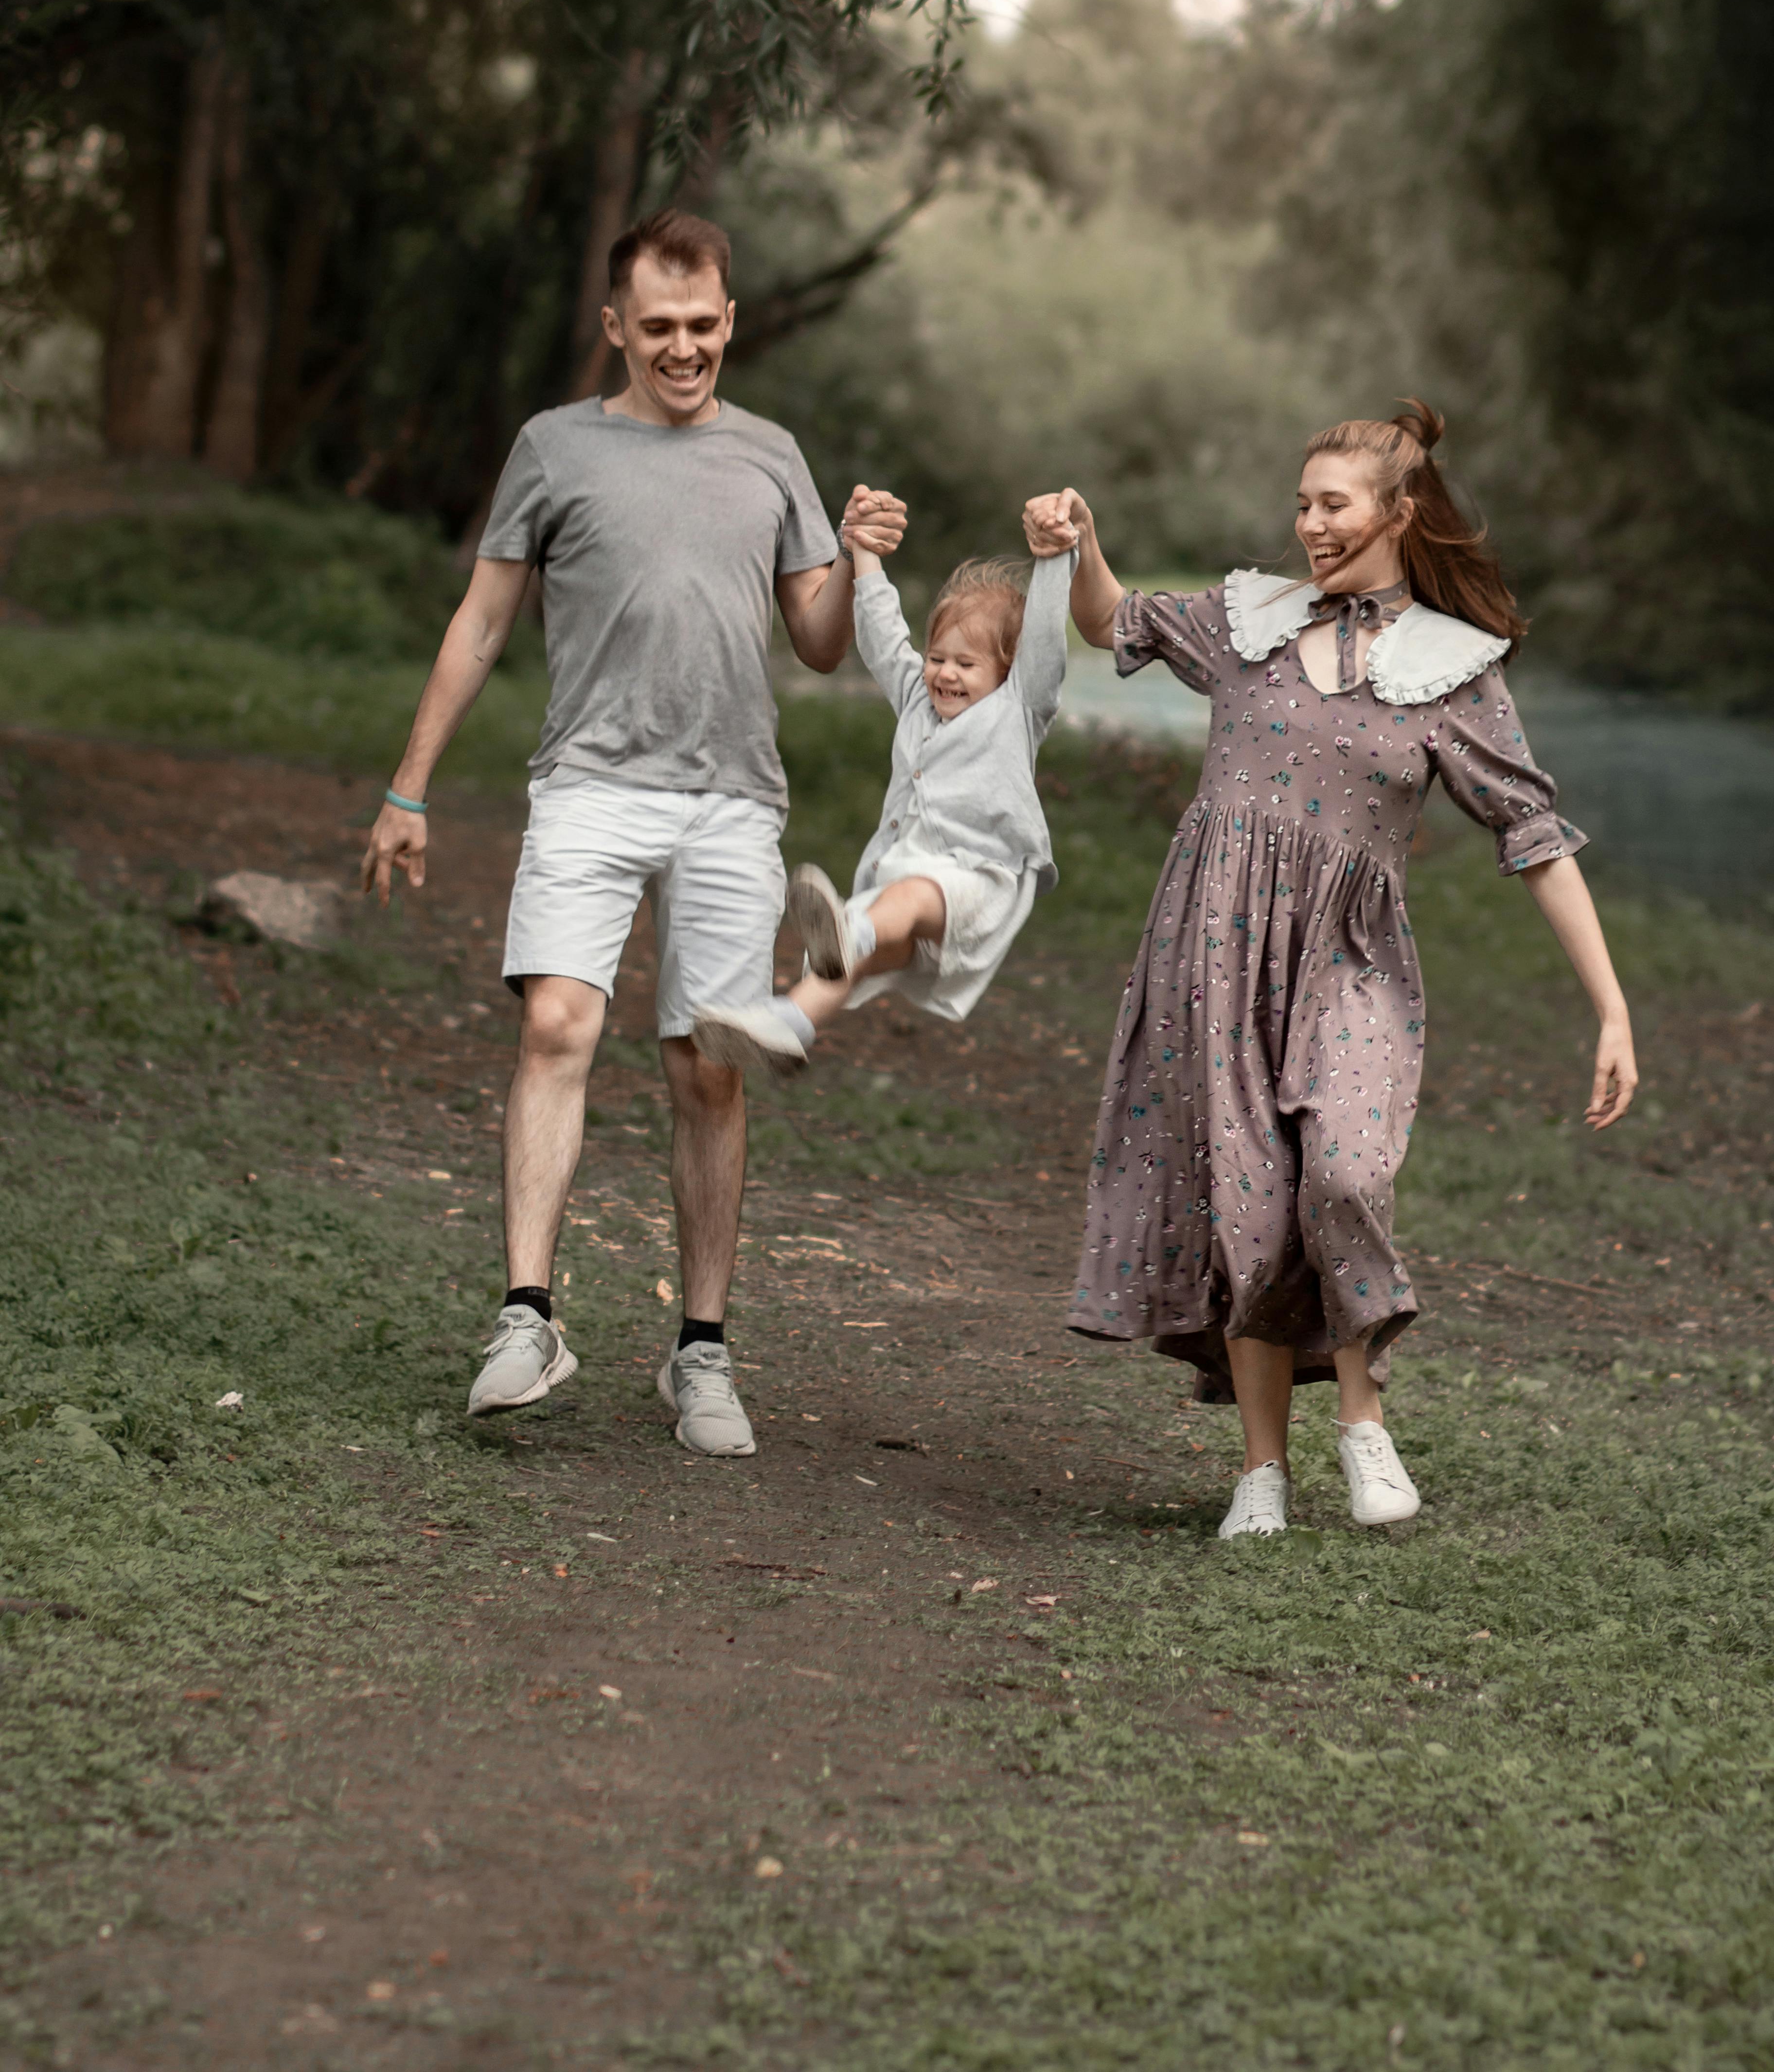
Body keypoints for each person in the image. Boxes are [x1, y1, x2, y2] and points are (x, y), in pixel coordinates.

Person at [1023, 403, 1637, 1537]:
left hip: (1350, 960)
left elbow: (1536, 841)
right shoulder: (1246, 622)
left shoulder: (1451, 668)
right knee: (1250, 1210)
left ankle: (1363, 1421)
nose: (1308, 523)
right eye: (1302, 503)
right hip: (1213, 953)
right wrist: (1083, 544)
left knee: (1345, 1176)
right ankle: (1261, 1470)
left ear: (1397, 512)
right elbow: (1111, 618)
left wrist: (1611, 1009)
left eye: (1333, 505)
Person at [359, 207, 905, 1453]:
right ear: (615, 325)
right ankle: (527, 1319)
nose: (683, 346)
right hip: (590, 785)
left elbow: (819, 645)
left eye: (702, 323)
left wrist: (857, 561)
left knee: (707, 1066)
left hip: (732, 798)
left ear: (731, 319)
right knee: (557, 1022)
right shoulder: (553, 447)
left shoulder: (771, 455)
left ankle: (701, 1352)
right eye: (657, 325)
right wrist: (409, 786)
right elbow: (482, 623)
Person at [690, 537, 1076, 1074]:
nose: (945, 674)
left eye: (966, 664)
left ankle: (848, 934)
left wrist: (1056, 555)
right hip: (900, 888)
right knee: (855, 956)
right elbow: (881, 633)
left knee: (900, 903)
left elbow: (1047, 638)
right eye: (937, 658)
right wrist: (864, 550)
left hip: (979, 880)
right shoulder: (918, 700)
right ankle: (789, 1023)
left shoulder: (1019, 708)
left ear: (1010, 670)